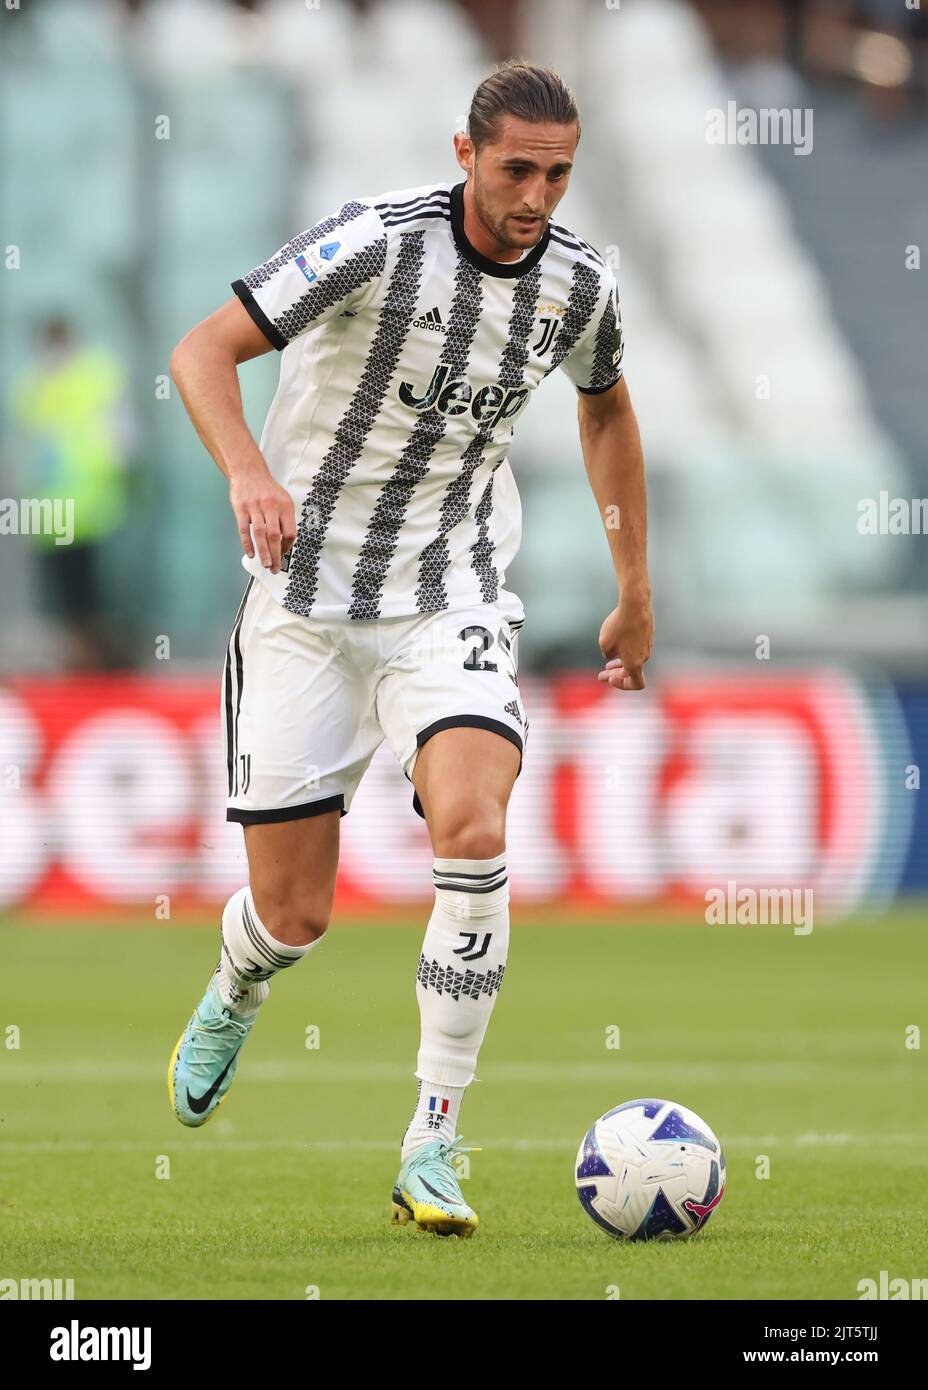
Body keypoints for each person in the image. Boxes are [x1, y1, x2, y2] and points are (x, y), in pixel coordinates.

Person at [167, 61, 652, 1238]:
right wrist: (246, 468)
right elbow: (201, 351)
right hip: (305, 607)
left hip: (453, 594)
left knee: (476, 828)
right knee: (293, 915)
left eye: (557, 172)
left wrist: (635, 582)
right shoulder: (372, 246)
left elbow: (603, 407)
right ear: (464, 153)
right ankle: (237, 983)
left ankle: (433, 1134)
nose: (537, 193)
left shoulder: (580, 284)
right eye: (516, 168)